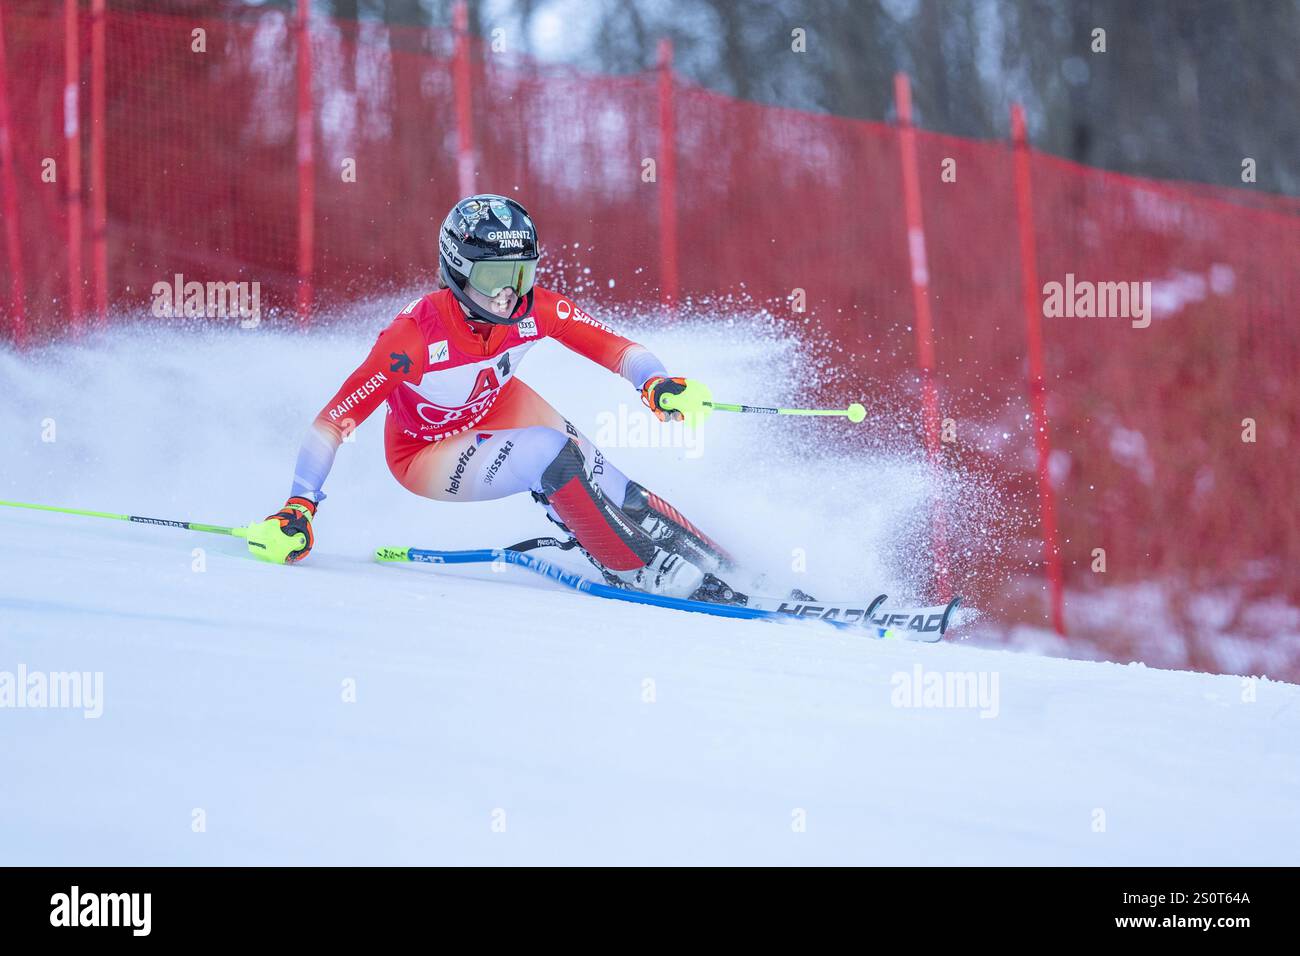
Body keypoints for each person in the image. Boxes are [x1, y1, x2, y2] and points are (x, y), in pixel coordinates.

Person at [244, 194, 734, 600]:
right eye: (492, 278)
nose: (508, 295)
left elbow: (615, 347)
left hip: (496, 403)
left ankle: (720, 563)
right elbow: (334, 421)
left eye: (520, 275)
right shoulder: (412, 338)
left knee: (606, 476)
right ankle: (636, 568)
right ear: (457, 273)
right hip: (425, 449)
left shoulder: (533, 308)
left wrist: (656, 381)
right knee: (551, 456)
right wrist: (299, 507)